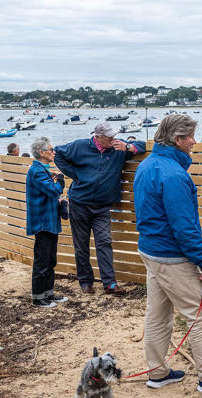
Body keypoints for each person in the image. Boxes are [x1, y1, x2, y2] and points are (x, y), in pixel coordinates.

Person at [134, 114, 202, 396]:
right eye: (190, 136)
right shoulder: (174, 175)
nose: (194, 141)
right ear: (177, 139)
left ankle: (157, 372)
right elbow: (184, 226)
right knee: (200, 314)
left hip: (150, 250)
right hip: (172, 255)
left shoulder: (147, 165)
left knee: (157, 313)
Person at [53, 122, 145, 295]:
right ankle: (85, 282)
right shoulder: (80, 146)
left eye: (113, 136)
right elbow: (56, 153)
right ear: (97, 137)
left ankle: (109, 283)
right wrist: (75, 174)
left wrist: (128, 147)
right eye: (109, 137)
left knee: (104, 242)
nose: (112, 139)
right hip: (79, 203)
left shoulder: (118, 148)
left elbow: (142, 146)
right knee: (81, 245)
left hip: (102, 206)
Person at [25, 137, 69, 308]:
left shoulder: (43, 170)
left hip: (49, 221)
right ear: (41, 152)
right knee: (42, 260)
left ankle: (48, 294)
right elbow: (53, 190)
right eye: (51, 149)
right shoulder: (36, 171)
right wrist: (61, 181)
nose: (54, 152)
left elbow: (48, 193)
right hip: (42, 222)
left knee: (50, 260)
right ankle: (38, 298)